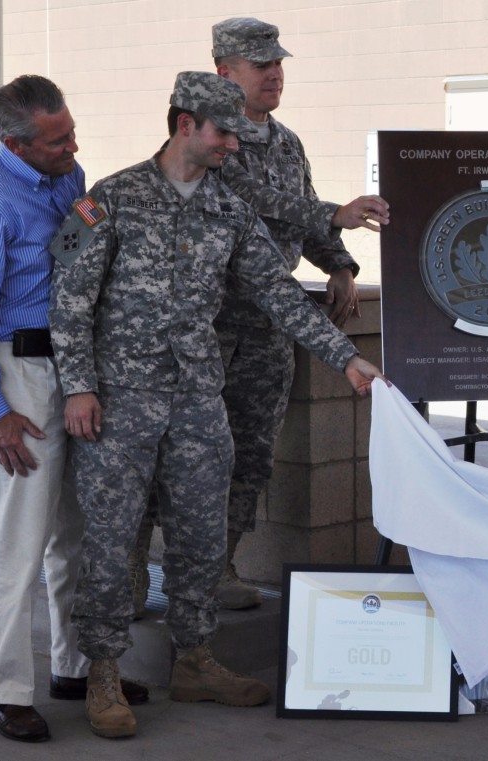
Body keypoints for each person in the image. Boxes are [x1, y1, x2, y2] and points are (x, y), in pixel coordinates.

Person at [48, 71, 384, 739]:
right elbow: (69, 297)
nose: (235, 141)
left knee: (202, 536)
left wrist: (344, 356)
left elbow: (279, 293)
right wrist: (80, 385)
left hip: (201, 402)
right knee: (114, 540)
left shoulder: (229, 211)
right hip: (121, 402)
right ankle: (105, 670)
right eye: (223, 130)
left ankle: (197, 658)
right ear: (184, 125)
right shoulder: (110, 199)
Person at [125, 17, 392, 616]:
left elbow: (299, 217)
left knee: (248, 456)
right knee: (171, 455)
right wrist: (332, 213)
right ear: (225, 70)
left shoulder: (288, 142)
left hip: (268, 324)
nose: (274, 74)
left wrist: (340, 263)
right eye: (260, 65)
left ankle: (220, 567)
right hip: (209, 325)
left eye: (278, 64)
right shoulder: (207, 138)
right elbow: (250, 200)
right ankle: (138, 574)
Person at [0, 75, 148, 744]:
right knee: (19, 541)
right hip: (17, 375)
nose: (74, 147)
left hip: (74, 367)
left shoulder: (67, 174)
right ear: (15, 143)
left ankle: (73, 665)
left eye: (72, 131)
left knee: (75, 534)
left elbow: (72, 256)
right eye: (58, 141)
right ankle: (5, 691)